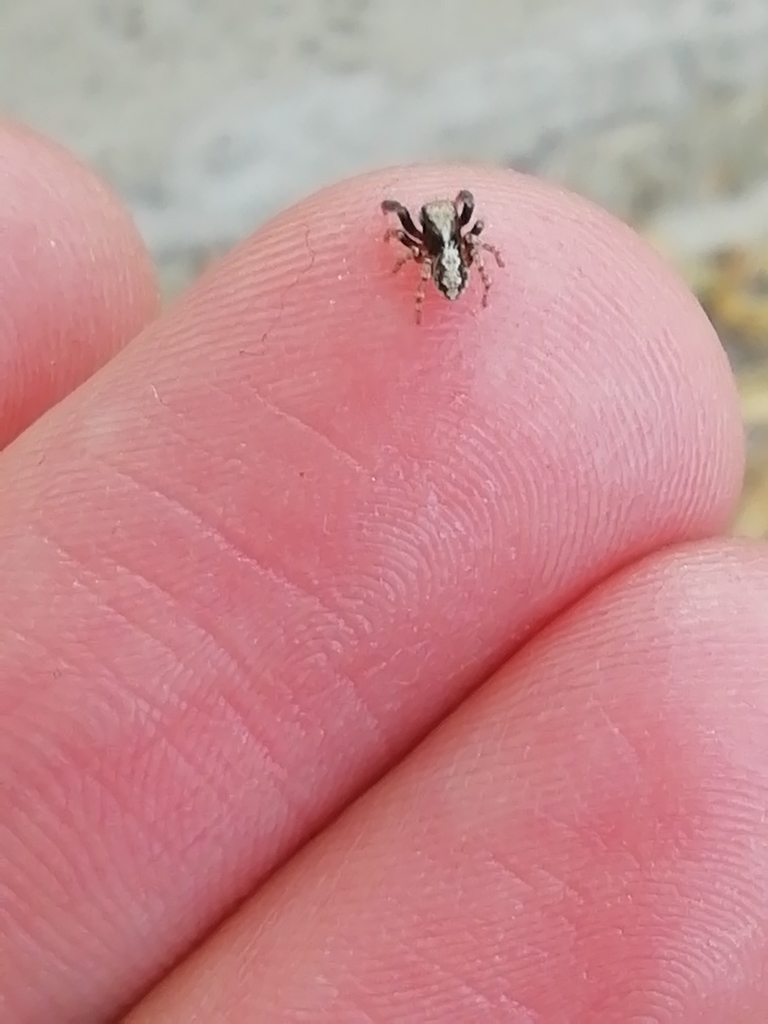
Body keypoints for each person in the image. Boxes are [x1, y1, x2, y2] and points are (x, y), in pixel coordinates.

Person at [1, 122, 765, 1023]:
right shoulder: (432, 261)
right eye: (442, 270)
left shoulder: (468, 263)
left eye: (450, 269)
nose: (446, 277)